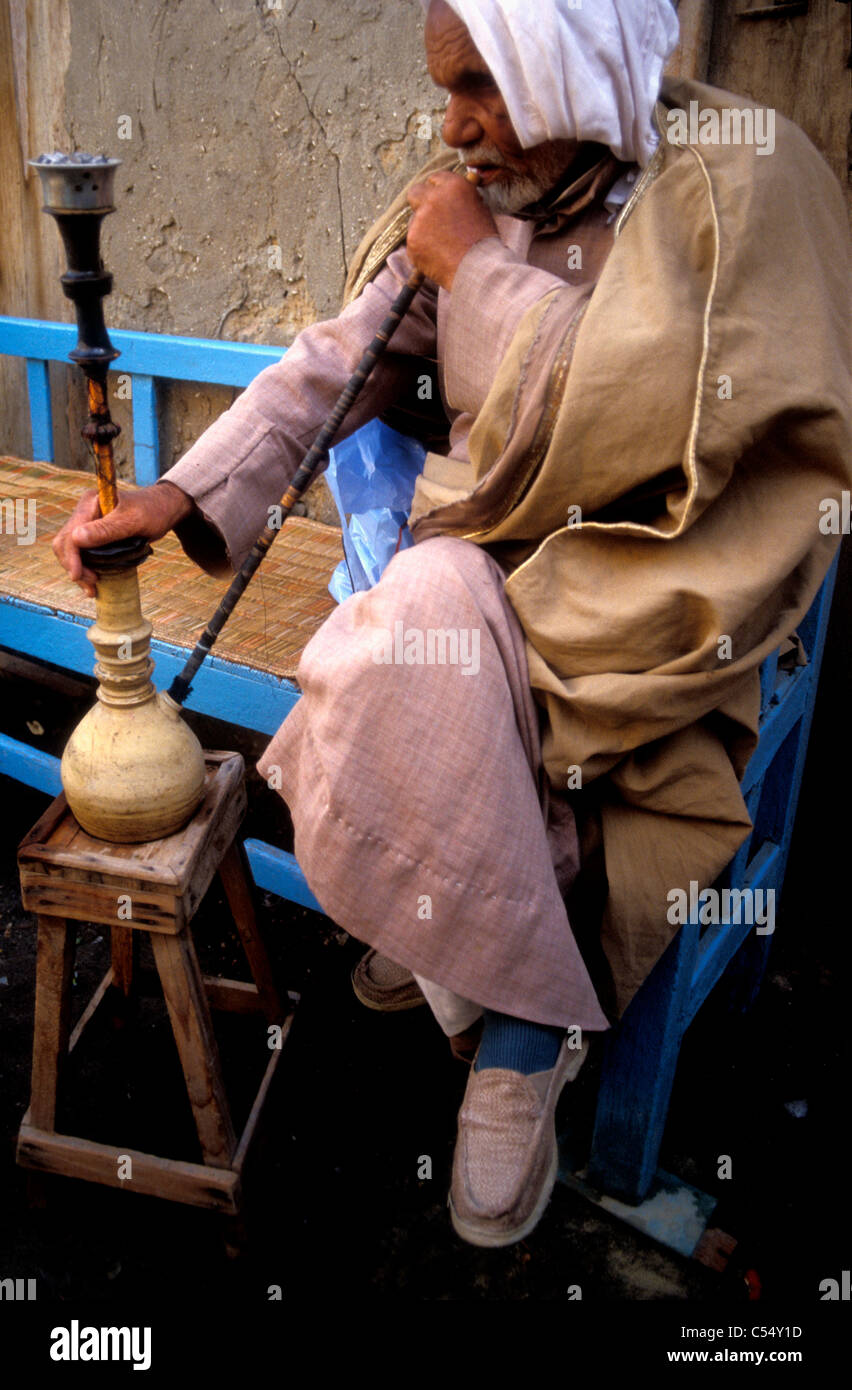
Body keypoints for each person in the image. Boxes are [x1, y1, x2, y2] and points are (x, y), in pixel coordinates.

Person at [52, 0, 851, 1248]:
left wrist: (476, 272)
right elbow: (344, 358)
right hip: (486, 578)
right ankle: (486, 967)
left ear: (571, 59)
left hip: (665, 597)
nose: (454, 125)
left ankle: (507, 1021)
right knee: (396, 624)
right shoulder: (508, 198)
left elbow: (695, 433)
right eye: (447, 87)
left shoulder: (743, 177)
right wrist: (180, 491)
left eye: (481, 81)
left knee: (415, 669)